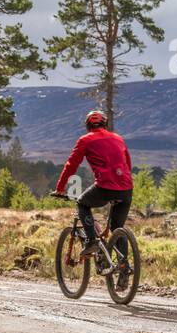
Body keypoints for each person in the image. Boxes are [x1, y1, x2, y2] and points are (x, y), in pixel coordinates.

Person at [54, 110, 134, 260]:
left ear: (87, 126)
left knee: (82, 203)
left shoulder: (85, 140)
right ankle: (124, 270)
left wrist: (60, 188)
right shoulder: (118, 138)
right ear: (105, 124)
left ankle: (91, 241)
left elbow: (71, 165)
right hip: (126, 188)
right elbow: (127, 164)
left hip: (105, 187)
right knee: (117, 228)